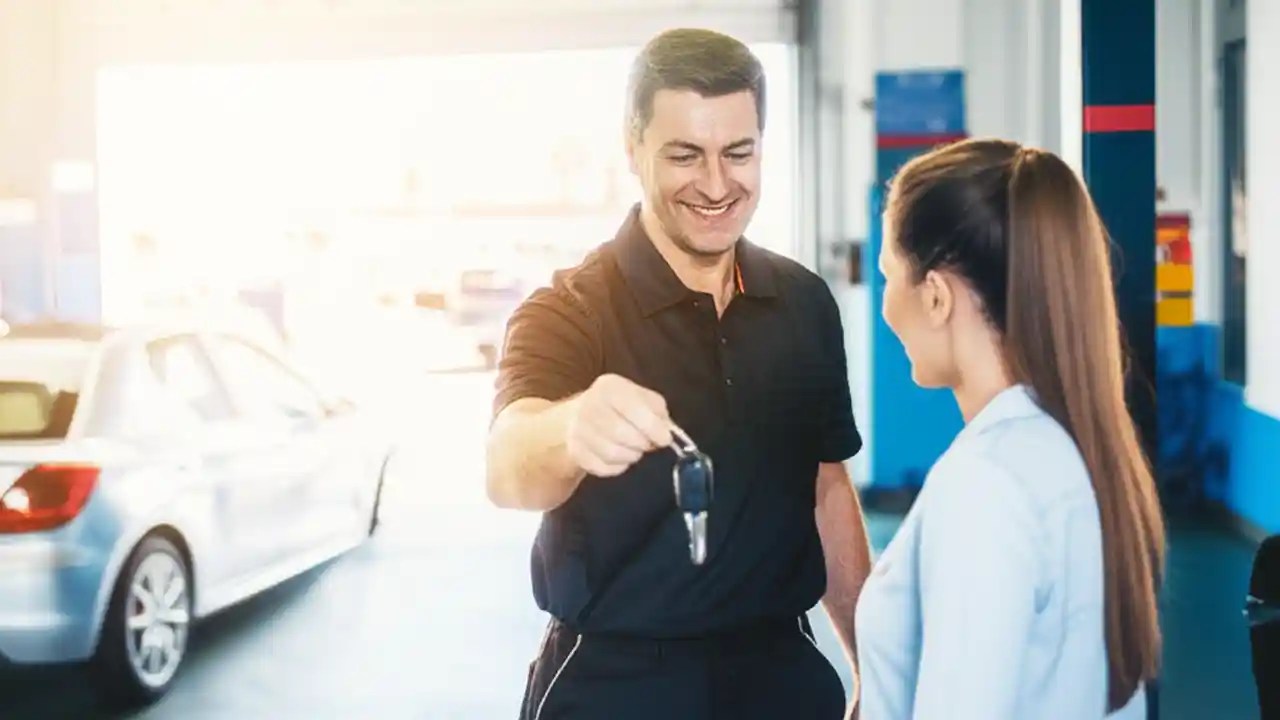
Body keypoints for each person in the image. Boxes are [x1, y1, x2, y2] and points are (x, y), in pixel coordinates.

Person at [486, 28, 871, 720]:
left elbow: (827, 490)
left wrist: (870, 667)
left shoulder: (804, 302)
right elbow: (510, 466)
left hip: (782, 674)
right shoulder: (570, 310)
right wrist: (570, 428)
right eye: (685, 155)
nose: (718, 185)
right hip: (617, 683)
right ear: (634, 149)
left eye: (739, 153)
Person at [856, 138, 1166, 719]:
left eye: (888, 277)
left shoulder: (986, 484)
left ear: (936, 296)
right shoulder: (1067, 448)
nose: (886, 306)